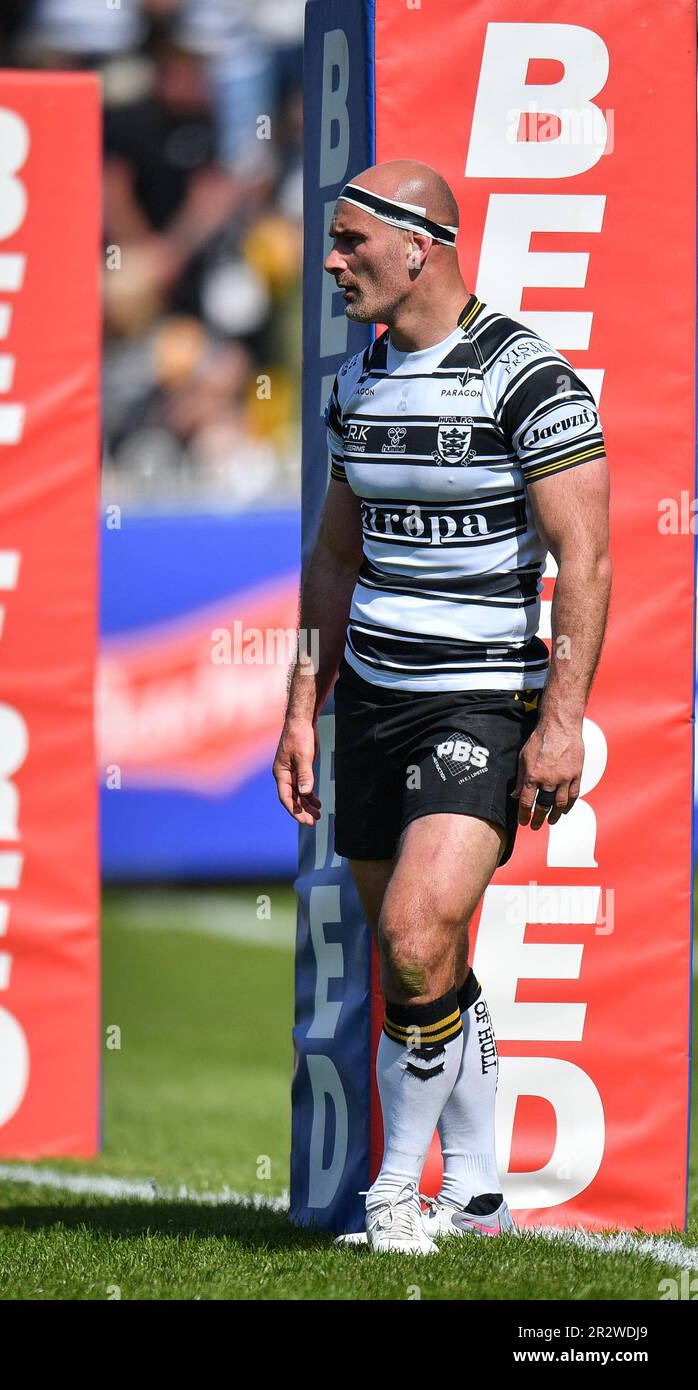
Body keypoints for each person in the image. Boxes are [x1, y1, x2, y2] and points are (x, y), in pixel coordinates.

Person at [272, 159, 611, 1253]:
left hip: (480, 705)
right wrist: (298, 704)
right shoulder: (352, 382)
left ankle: (391, 1199)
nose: (329, 262)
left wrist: (558, 721)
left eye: (347, 242)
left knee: (417, 938)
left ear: (418, 246)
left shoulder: (527, 376)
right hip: (372, 699)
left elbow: (586, 558)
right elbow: (331, 555)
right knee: (424, 950)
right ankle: (475, 1189)